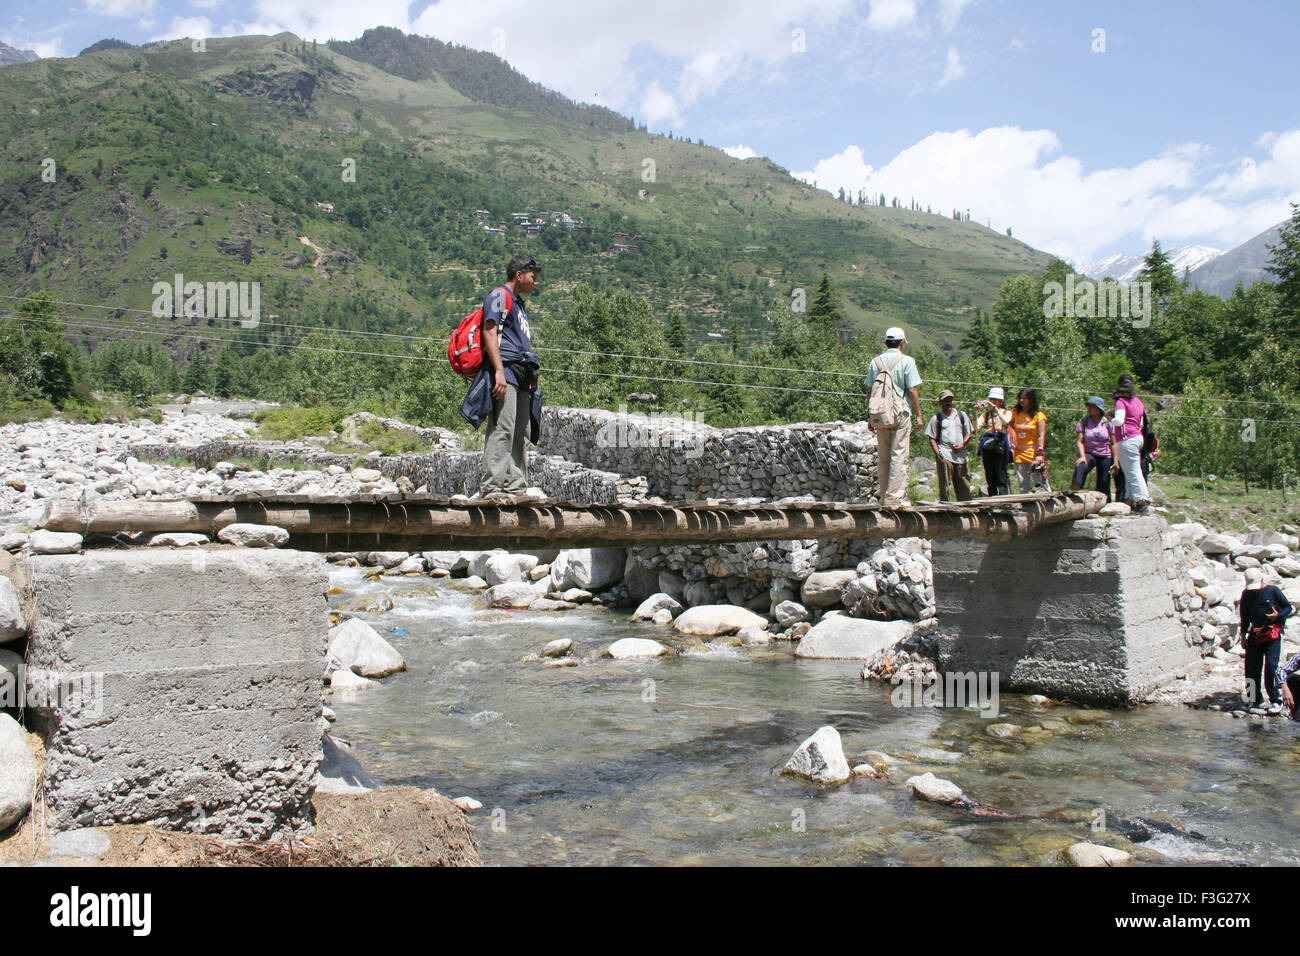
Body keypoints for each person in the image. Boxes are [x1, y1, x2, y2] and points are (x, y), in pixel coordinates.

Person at [461, 255, 545, 501]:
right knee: (503, 427)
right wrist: (498, 371)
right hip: (506, 371)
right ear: (519, 274)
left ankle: (515, 487)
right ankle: (492, 487)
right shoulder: (499, 296)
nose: (535, 282)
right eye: (533, 276)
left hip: (522, 375)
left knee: (520, 431)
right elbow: (489, 331)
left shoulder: (518, 304)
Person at [864, 327, 922, 509]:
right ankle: (894, 498)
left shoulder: (875, 362)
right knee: (899, 454)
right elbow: (912, 389)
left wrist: (870, 416)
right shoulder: (907, 361)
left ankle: (883, 495)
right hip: (900, 412)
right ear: (902, 343)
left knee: (883, 455)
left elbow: (870, 391)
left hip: (880, 413)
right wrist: (919, 414)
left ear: (885, 342)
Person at [1239, 566, 1294, 714]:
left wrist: (1277, 616)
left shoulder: (1273, 591)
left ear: (1262, 580)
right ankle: (1254, 699)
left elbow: (1288, 608)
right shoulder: (1246, 594)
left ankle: (1276, 699)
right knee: (1250, 669)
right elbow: (1244, 617)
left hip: (1272, 635)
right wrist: (1243, 635)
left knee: (1271, 666)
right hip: (1255, 636)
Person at [1110, 374, 1151, 514]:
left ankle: (1142, 501)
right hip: (1138, 437)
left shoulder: (1120, 401)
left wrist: (1110, 419)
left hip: (1126, 438)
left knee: (1133, 471)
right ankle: (1129, 499)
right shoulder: (1139, 402)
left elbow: (1120, 421)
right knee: (1130, 471)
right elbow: (1140, 423)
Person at [925, 389, 973, 502]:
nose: (948, 403)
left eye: (950, 400)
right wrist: (939, 454)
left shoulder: (962, 415)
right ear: (940, 402)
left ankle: (966, 506)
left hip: (961, 455)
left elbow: (969, 433)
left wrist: (963, 444)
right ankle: (945, 506)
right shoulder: (936, 418)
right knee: (945, 483)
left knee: (963, 482)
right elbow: (931, 438)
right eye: (945, 400)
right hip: (945, 454)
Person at [1070, 396, 1117, 499]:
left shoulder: (1107, 424)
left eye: (1092, 406)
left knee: (1104, 481)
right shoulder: (1083, 422)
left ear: (1099, 409)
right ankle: (1074, 494)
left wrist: (1116, 461)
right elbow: (1080, 441)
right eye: (1088, 406)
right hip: (1090, 453)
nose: (1089, 409)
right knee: (1080, 467)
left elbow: (1113, 443)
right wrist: (1082, 456)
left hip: (1105, 455)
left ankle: (1103, 502)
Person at [973, 387, 1013, 496]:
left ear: (1001, 401)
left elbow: (1006, 421)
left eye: (995, 399)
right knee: (990, 475)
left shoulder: (1006, 412)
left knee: (1001, 474)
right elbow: (976, 427)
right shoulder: (986, 415)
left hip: (1000, 444)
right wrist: (975, 412)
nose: (993, 401)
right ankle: (992, 497)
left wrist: (995, 409)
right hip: (988, 445)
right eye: (992, 399)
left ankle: (1004, 498)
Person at [1009, 387, 1047, 494]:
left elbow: (1041, 435)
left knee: (1039, 483)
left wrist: (1040, 453)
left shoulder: (1038, 415)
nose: (1022, 400)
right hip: (1018, 453)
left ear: (1031, 399)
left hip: (1033, 453)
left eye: (1025, 398)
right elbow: (1010, 426)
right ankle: (1026, 506)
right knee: (1023, 483)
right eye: (1020, 398)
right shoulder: (1015, 413)